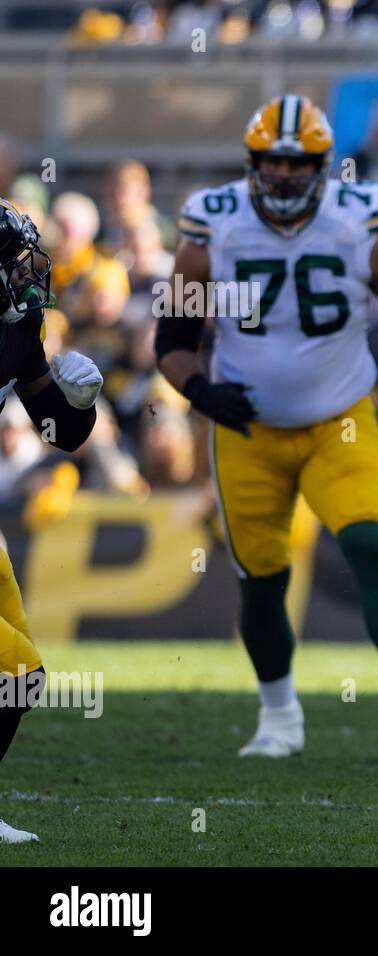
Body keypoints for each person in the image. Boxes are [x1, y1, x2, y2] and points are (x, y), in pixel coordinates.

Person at [154, 96, 378, 760]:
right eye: (272, 163)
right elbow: (172, 341)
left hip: (342, 421)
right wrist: (200, 392)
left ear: (323, 167)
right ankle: (279, 718)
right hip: (249, 431)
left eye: (297, 164)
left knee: (367, 541)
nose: (282, 176)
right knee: (262, 579)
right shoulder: (212, 228)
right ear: (252, 165)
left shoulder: (358, 222)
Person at [0, 197, 105, 843]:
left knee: (13, 677)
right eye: (11, 260)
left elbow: (58, 431)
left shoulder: (15, 324)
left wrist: (80, 403)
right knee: (17, 670)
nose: (24, 271)